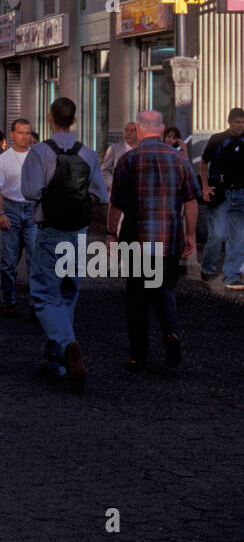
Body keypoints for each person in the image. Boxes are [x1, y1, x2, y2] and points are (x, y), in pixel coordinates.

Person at [21, 97, 108, 392]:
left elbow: (30, 191)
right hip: (78, 232)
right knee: (69, 291)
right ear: (74, 120)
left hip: (50, 230)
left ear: (49, 118)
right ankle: (56, 359)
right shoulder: (88, 153)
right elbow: (102, 195)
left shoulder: (39, 151)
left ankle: (67, 344)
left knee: (44, 295)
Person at [108, 109, 198, 370]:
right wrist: (190, 234)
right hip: (168, 237)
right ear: (161, 128)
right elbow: (191, 201)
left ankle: (138, 354)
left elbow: (116, 204)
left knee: (136, 296)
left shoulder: (129, 159)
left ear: (138, 128)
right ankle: (171, 332)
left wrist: (111, 234)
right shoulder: (180, 159)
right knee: (164, 289)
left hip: (136, 237)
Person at [0, 118, 38, 317]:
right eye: (20, 133)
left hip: (32, 209)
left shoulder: (37, 156)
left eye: (28, 133)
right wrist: (0, 213)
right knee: (9, 259)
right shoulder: (4, 159)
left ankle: (37, 304)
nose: (25, 137)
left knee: (35, 258)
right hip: (10, 208)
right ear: (12, 135)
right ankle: (8, 301)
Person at [199, 108, 244, 288]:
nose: (240, 126)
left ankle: (231, 275)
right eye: (237, 122)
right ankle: (208, 267)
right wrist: (204, 186)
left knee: (239, 237)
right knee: (217, 234)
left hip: (241, 192)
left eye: (243, 122)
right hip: (220, 192)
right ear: (229, 122)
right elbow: (203, 161)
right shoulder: (217, 139)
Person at [101, 122, 138, 192]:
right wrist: (113, 184)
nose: (128, 133)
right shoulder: (114, 148)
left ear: (138, 132)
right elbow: (104, 171)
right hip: (119, 192)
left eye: (132, 131)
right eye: (126, 130)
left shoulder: (142, 149)